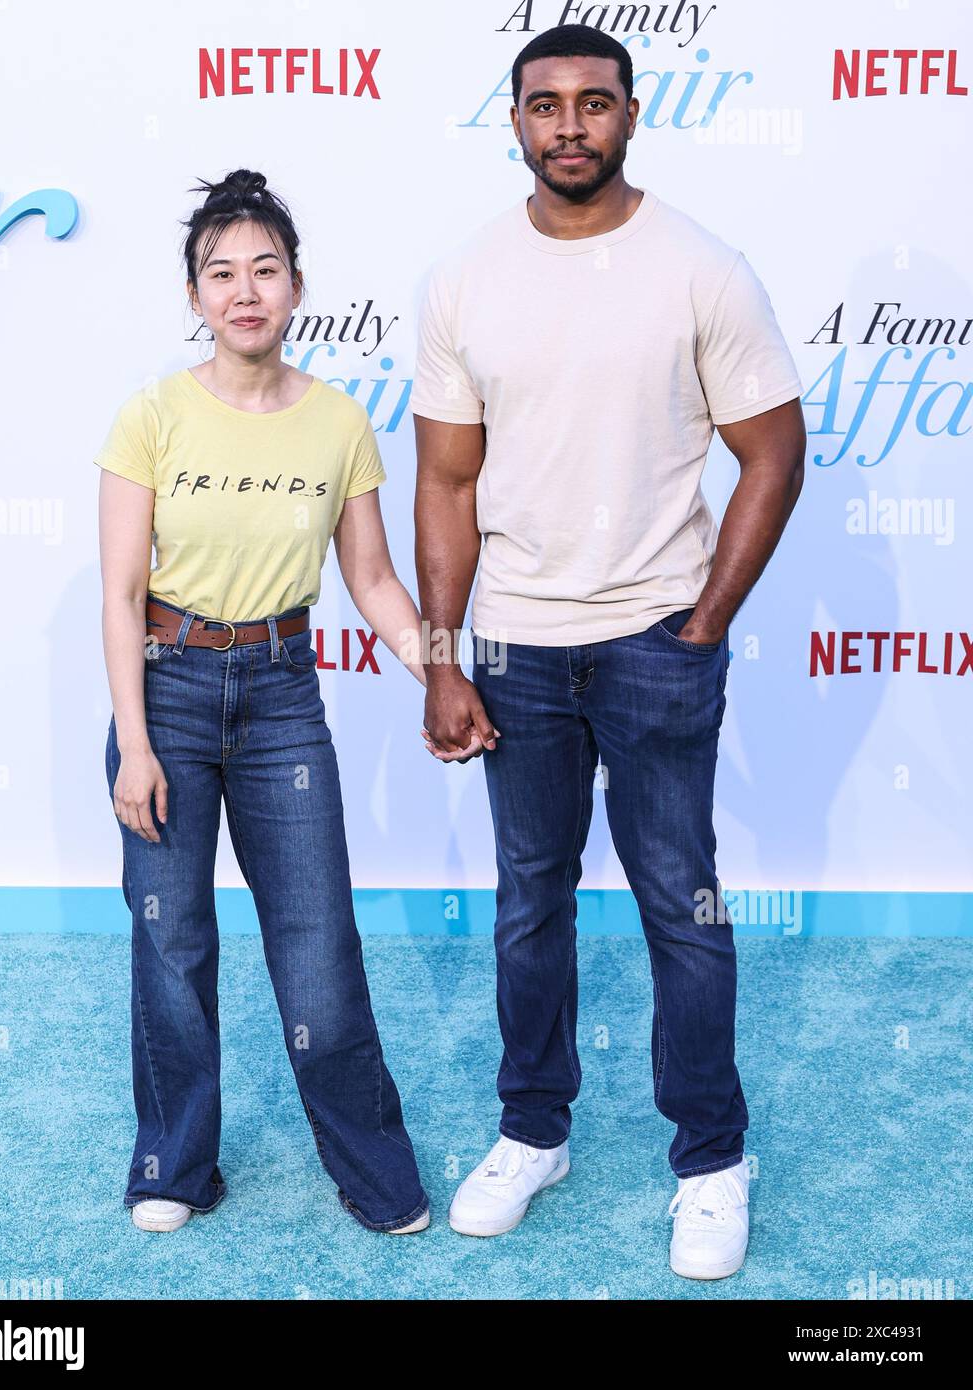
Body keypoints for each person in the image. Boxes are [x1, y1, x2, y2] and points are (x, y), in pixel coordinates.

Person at [411, 26, 806, 1278]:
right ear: (513, 120)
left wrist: (702, 625)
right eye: (544, 106)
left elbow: (773, 451)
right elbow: (443, 479)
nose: (568, 126)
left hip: (652, 642)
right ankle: (533, 1132)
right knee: (528, 904)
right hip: (518, 648)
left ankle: (709, 1159)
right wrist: (439, 655)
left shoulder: (699, 267)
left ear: (633, 114)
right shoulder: (465, 276)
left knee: (680, 908)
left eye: (592, 105)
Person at [96, 168, 430, 1235]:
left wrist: (446, 667)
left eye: (265, 270)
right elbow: (118, 590)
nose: (244, 290)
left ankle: (375, 1175)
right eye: (220, 272)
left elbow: (372, 580)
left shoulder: (338, 424)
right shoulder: (150, 415)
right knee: (172, 941)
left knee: (318, 946)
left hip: (284, 696)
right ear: (194, 294)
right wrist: (136, 747)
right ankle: (173, 1165)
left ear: (296, 287)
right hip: (169, 688)